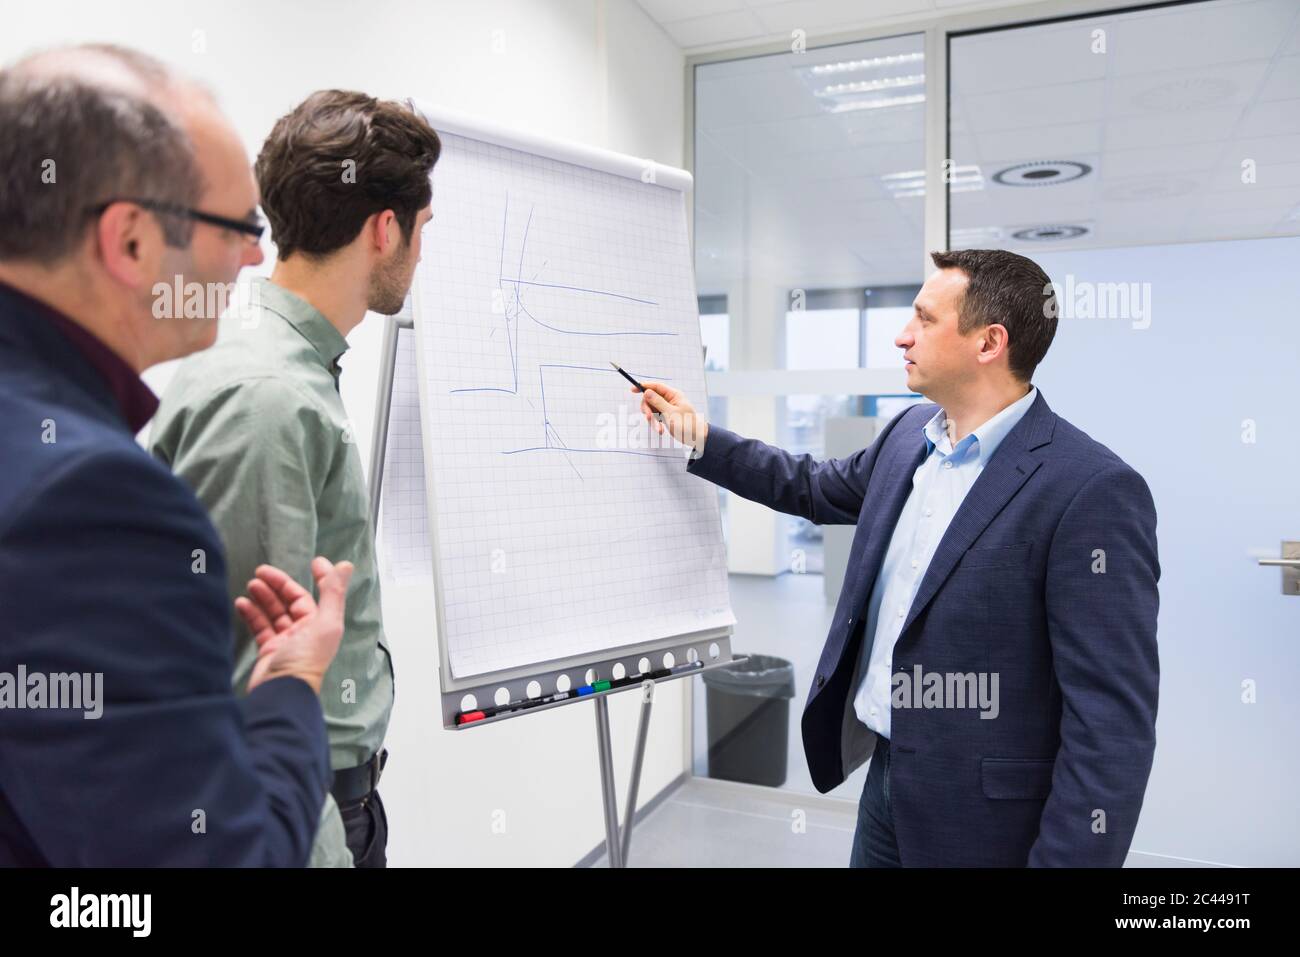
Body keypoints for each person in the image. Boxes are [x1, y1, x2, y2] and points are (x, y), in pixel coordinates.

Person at [637, 249, 1160, 867]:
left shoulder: (1090, 489)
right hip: (887, 780)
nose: (902, 334)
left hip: (986, 819)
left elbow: (1110, 726)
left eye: (925, 319)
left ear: (989, 342)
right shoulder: (909, 435)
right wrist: (699, 437)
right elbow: (807, 484)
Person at [0, 44, 353, 865]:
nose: (256, 258)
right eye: (239, 228)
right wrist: (292, 685)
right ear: (129, 243)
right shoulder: (89, 498)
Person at [150, 90, 440, 867]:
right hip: (305, 817)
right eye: (424, 230)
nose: (422, 252)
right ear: (387, 230)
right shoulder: (270, 399)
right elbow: (254, 688)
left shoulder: (287, 370)